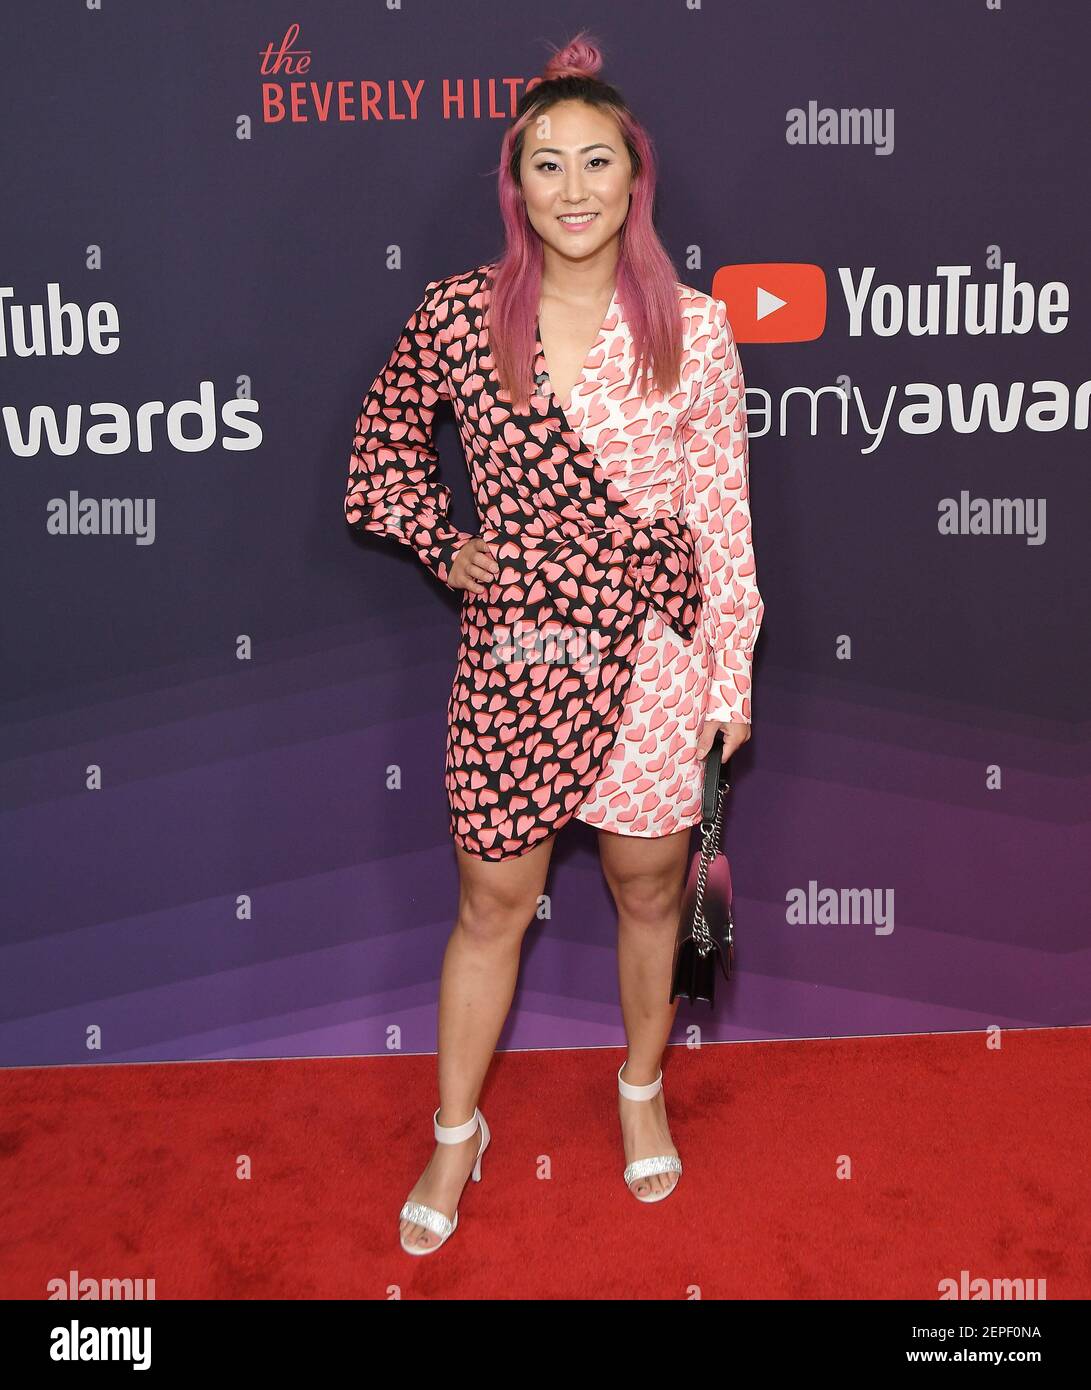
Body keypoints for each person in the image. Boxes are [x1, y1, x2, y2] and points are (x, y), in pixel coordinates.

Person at [343, 31, 764, 1255]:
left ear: (633, 179)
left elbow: (719, 519)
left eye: (596, 162)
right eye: (546, 164)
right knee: (491, 900)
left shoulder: (692, 325)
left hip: (649, 653)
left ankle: (639, 1091)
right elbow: (374, 463)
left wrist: (726, 677)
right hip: (516, 649)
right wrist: (443, 538)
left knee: (647, 888)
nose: (572, 189)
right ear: (513, 183)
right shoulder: (455, 319)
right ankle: (455, 1128)